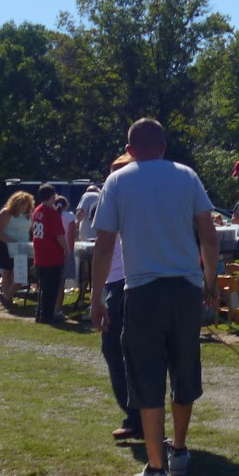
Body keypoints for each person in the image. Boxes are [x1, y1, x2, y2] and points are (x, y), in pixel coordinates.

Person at [90, 119, 219, 476]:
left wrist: (97, 298)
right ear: (163, 145)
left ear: (129, 150)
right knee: (184, 367)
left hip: (143, 291)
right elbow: (208, 236)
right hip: (185, 289)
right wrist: (210, 283)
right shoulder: (187, 175)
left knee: (147, 376)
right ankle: (178, 449)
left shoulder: (117, 182)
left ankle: (156, 470)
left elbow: (103, 246)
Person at [96, 156, 139, 441]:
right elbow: (104, 244)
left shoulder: (141, 196)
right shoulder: (110, 196)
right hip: (114, 283)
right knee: (113, 348)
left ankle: (140, 415)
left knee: (136, 351)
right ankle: (133, 413)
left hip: (136, 280)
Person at [0, 191, 33, 311]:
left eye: (26, 204)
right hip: (5, 245)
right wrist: (8, 240)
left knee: (20, 274)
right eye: (22, 204)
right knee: (7, 271)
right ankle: (8, 299)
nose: (24, 206)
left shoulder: (28, 215)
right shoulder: (6, 212)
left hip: (23, 247)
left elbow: (31, 230)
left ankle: (6, 296)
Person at [30, 185, 66, 325]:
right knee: (51, 288)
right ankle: (47, 315)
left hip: (40, 253)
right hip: (52, 255)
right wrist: (67, 250)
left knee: (42, 287)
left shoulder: (37, 211)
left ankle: (40, 313)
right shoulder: (52, 214)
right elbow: (59, 235)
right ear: (52, 197)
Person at [55, 194, 77, 318]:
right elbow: (71, 236)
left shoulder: (53, 215)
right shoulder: (70, 216)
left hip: (53, 251)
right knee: (61, 282)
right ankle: (58, 309)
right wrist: (69, 251)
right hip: (65, 250)